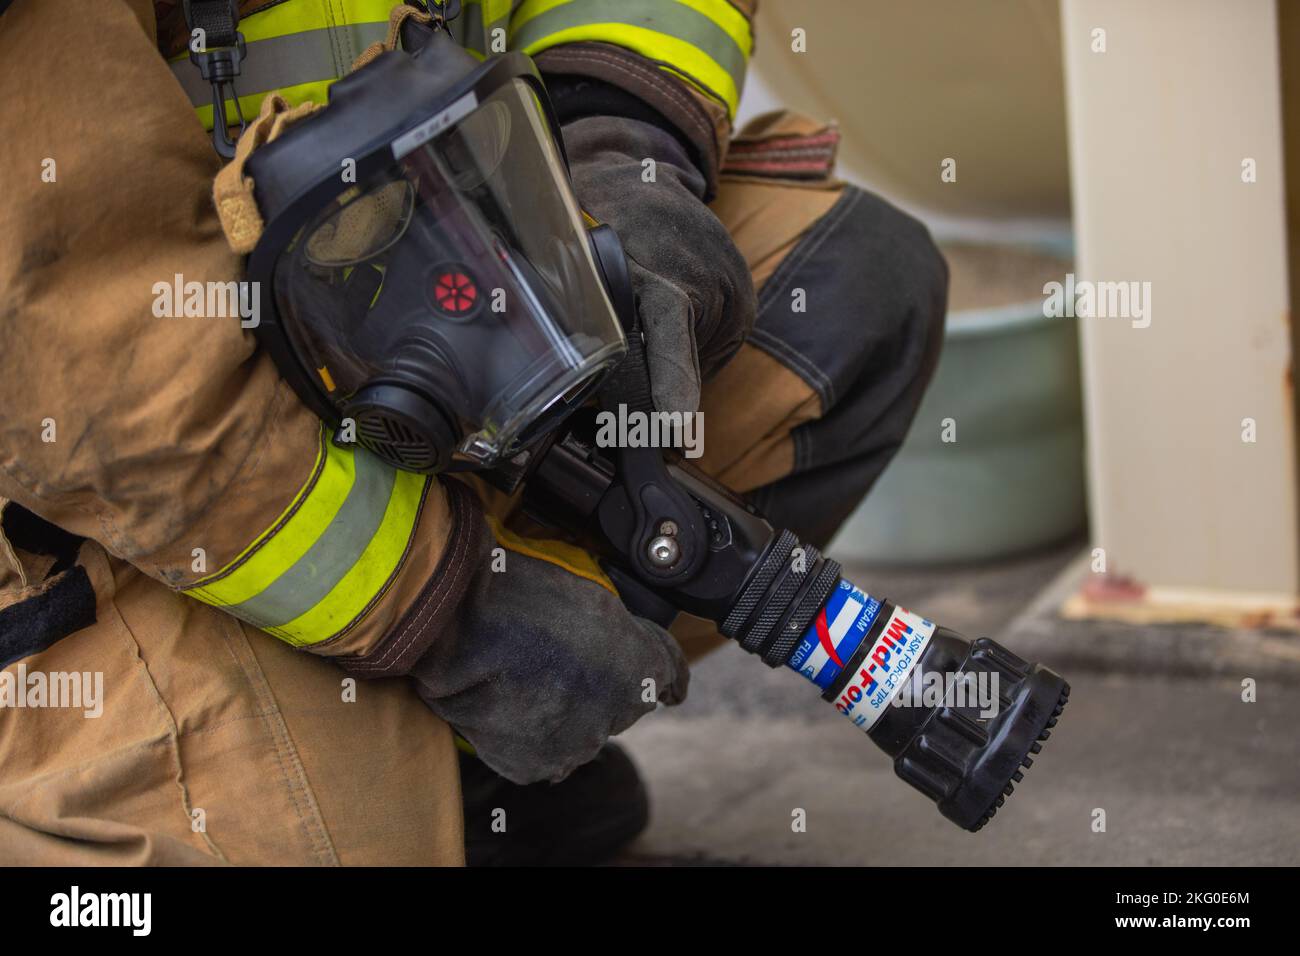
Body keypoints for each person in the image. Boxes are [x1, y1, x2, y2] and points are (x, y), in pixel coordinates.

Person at [0, 0, 946, 865]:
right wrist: (451, 613)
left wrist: (622, 149)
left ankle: (468, 777)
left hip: (438, 321)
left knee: (849, 289)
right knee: (322, 847)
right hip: (122, 493)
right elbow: (98, 361)